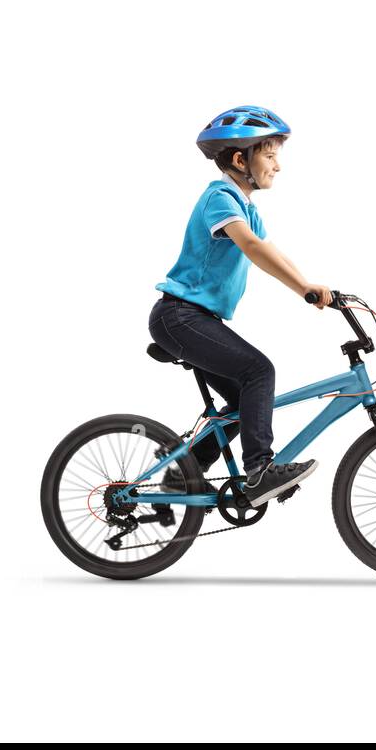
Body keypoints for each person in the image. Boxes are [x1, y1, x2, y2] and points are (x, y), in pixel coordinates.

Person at [149, 106, 331, 504]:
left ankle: (186, 473)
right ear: (239, 159)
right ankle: (259, 471)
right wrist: (303, 289)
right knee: (258, 371)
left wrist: (311, 287)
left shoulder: (247, 208)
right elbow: (249, 246)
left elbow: (269, 250)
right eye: (270, 155)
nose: (277, 166)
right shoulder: (220, 197)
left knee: (240, 402)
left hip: (192, 318)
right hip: (179, 317)